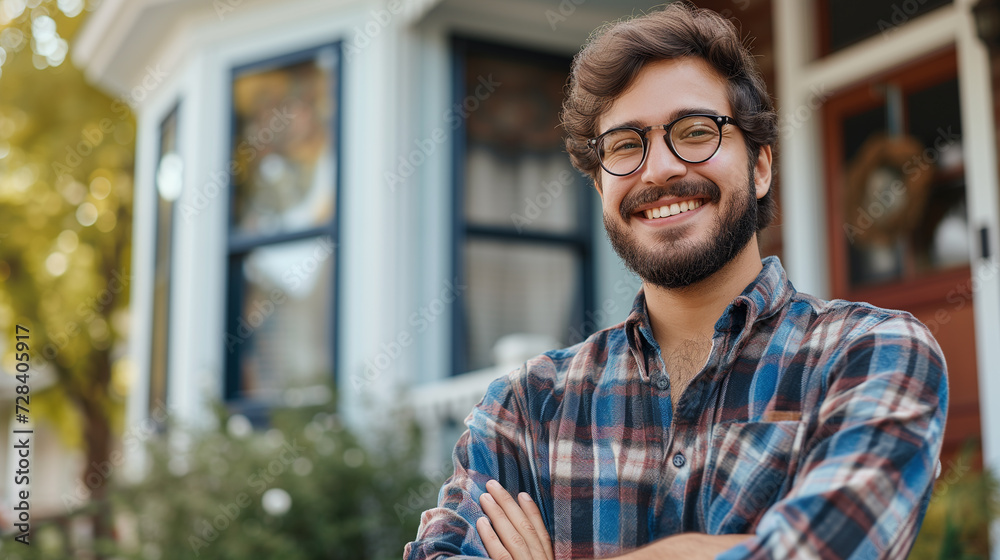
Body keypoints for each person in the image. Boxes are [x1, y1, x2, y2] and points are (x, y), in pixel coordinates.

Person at [403, 3, 948, 559]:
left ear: (760, 168)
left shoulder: (870, 354)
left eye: (693, 132)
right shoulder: (525, 409)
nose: (659, 168)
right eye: (624, 145)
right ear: (600, 190)